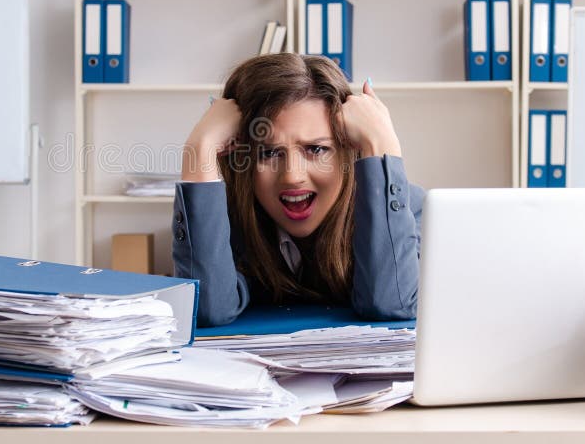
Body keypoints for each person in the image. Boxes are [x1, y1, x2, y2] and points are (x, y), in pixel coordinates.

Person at [171, 53, 423, 326]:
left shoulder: (409, 211)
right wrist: (200, 148)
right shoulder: (224, 220)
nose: (292, 176)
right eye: (268, 153)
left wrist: (380, 142)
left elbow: (390, 303)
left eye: (316, 149)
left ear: (349, 149)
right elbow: (206, 310)